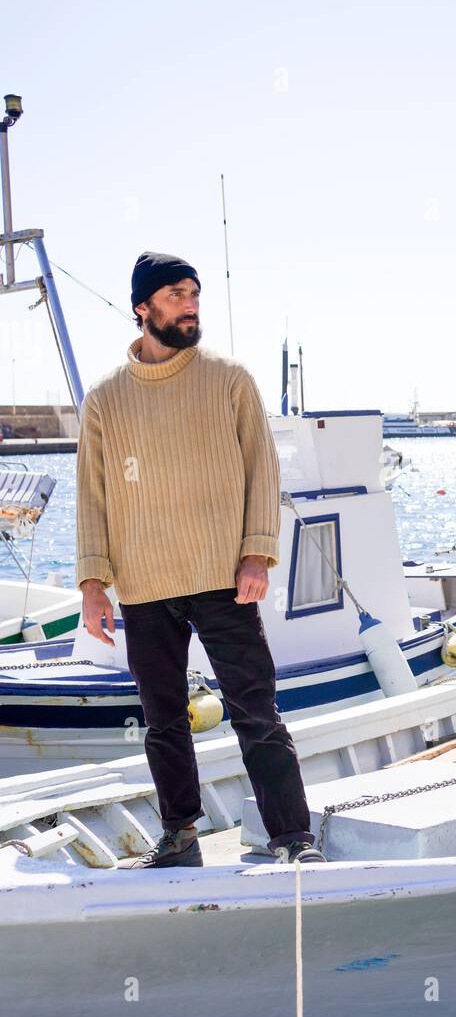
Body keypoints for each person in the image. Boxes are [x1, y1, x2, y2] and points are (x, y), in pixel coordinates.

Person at [75, 250, 326, 868]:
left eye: (195, 294)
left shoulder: (230, 379)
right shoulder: (106, 398)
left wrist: (258, 555)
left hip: (224, 578)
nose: (191, 305)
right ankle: (180, 837)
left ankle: (292, 838)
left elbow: (262, 471)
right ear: (143, 308)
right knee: (164, 721)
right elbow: (93, 493)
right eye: (177, 295)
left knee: (256, 713)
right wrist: (92, 584)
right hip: (143, 585)